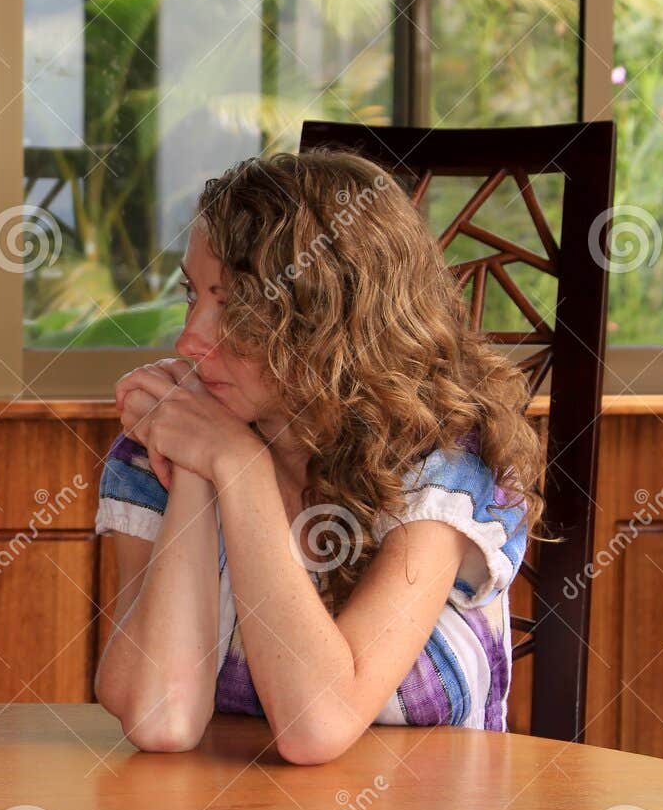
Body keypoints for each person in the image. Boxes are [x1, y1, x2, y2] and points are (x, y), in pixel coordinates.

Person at [94, 151, 544, 765]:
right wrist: (201, 468)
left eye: (236, 307)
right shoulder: (169, 448)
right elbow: (160, 718)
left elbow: (317, 725)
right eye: (193, 296)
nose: (189, 340)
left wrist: (241, 468)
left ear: (331, 322)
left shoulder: (443, 467)